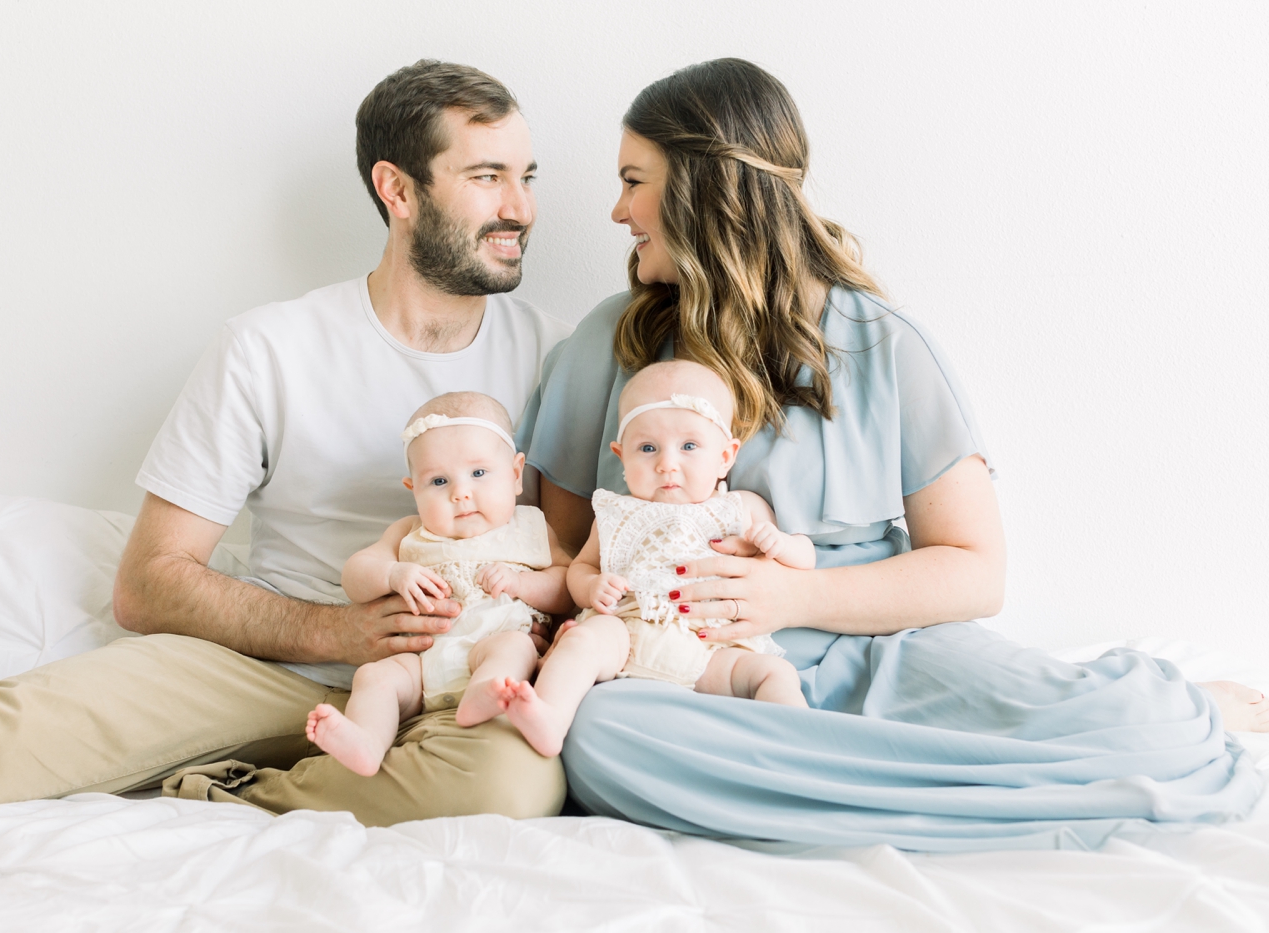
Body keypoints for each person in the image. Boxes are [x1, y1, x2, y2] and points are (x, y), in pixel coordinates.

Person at [523, 58, 1269, 851]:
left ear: (705, 191)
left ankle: (825, 781)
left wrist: (793, 597)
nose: (617, 210)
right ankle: (969, 784)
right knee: (601, 736)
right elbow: (560, 550)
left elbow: (976, 571)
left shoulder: (883, 344)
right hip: (688, 673)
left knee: (1149, 724)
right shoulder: (608, 343)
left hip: (881, 654)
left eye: (633, 181)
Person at [0, 60, 571, 824]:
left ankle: (235, 789)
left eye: (526, 176)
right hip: (272, 668)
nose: (521, 207)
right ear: (397, 190)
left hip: (465, 677)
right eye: (488, 177)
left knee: (512, 788)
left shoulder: (557, 356)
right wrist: (335, 630)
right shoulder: (269, 348)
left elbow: (572, 563)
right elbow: (148, 582)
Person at [496, 359, 810, 758]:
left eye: (689, 446)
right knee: (580, 642)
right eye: (647, 448)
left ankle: (795, 744)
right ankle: (550, 718)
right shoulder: (616, 512)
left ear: (726, 456)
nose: (667, 464)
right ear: (621, 456)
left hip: (710, 650)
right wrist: (592, 586)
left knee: (774, 673)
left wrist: (780, 544)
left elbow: (804, 559)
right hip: (627, 637)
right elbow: (581, 567)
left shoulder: (740, 508)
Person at [306, 392, 573, 776]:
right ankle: (366, 741)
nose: (460, 493)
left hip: (491, 649)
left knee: (514, 647)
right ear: (413, 489)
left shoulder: (530, 528)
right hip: (421, 665)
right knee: (374, 677)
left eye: (478, 473)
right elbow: (355, 574)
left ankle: (485, 694)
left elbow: (566, 587)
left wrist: (522, 583)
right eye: (438, 480)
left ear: (516, 474)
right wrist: (393, 574)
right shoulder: (409, 533)